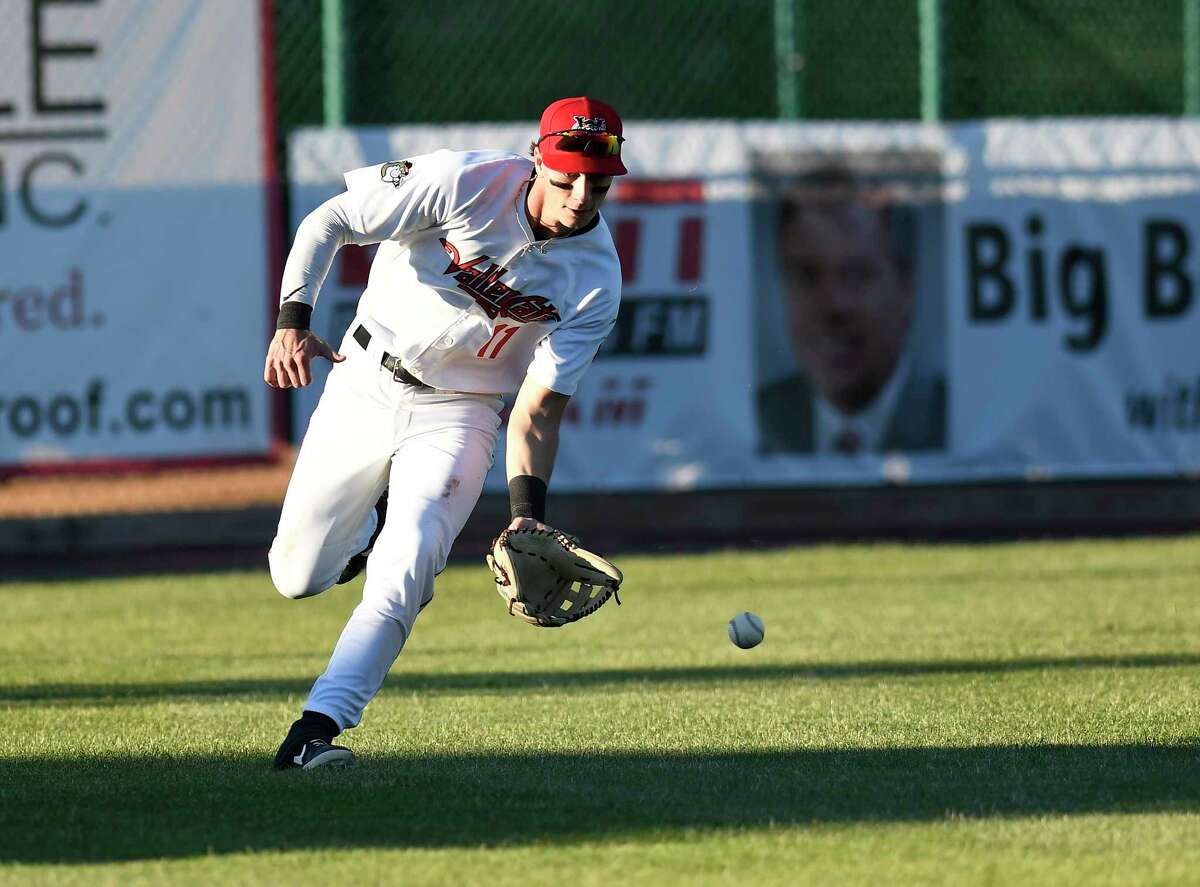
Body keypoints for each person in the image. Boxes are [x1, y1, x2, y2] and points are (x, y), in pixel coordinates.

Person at [263, 97, 627, 770]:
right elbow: (334, 219)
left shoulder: (596, 278)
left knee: (408, 565)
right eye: (568, 175)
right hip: (366, 376)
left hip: (461, 412)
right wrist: (293, 316)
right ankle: (373, 524)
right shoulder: (466, 180)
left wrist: (527, 517)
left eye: (598, 181)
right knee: (296, 575)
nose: (581, 195)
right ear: (537, 157)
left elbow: (538, 410)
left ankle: (317, 728)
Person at [756, 168, 945, 455]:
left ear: (907, 290)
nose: (833, 305)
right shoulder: (759, 420)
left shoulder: (956, 417)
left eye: (857, 276)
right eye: (806, 276)